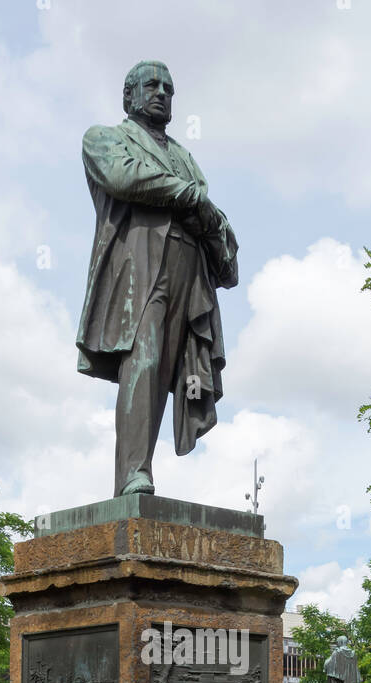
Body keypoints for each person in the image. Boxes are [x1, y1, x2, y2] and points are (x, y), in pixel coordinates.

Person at [77, 60, 238, 497]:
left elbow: (213, 216)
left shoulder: (186, 157)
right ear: (128, 96)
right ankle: (134, 472)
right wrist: (187, 196)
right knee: (143, 359)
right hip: (141, 265)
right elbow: (123, 176)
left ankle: (141, 468)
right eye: (151, 85)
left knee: (173, 368)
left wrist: (207, 217)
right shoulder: (104, 138)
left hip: (190, 271)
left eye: (169, 87)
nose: (162, 92)